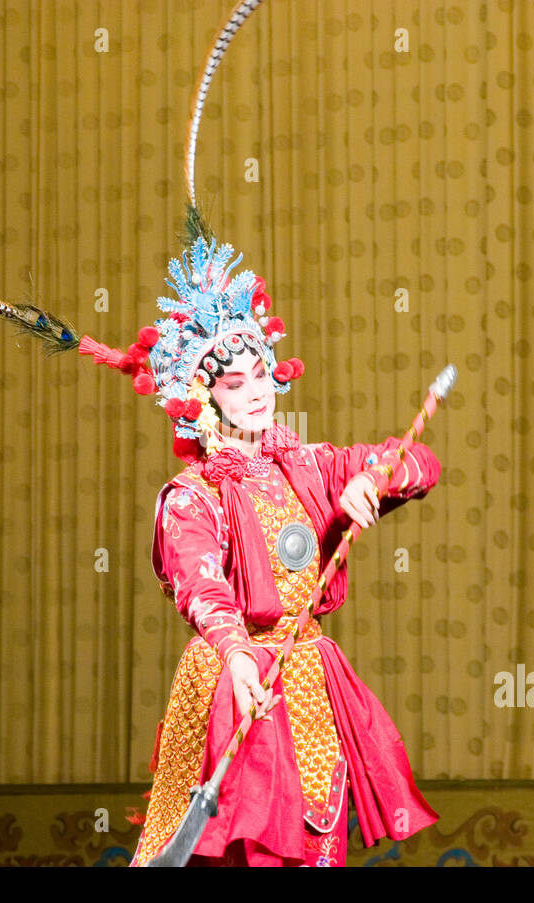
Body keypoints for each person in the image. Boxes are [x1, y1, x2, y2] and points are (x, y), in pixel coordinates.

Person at [108, 234, 443, 867]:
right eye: (234, 384)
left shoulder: (311, 466)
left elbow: (420, 461)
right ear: (205, 401)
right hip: (236, 681)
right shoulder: (191, 496)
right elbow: (200, 587)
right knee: (241, 850)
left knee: (314, 844)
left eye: (262, 372)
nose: (256, 391)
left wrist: (373, 480)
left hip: (311, 678)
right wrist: (236, 655)